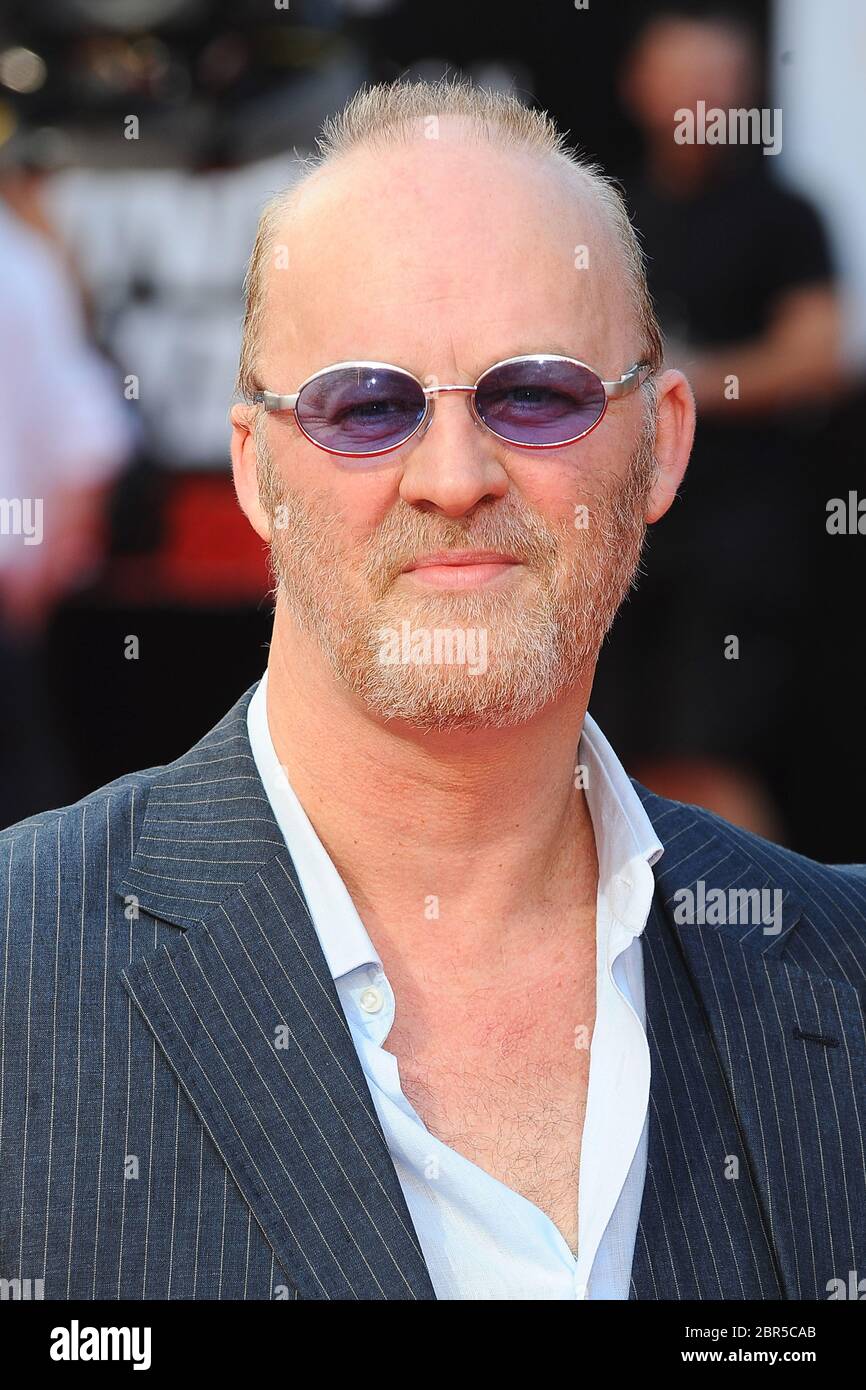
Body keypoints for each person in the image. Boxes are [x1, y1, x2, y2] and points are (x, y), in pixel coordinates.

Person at [1, 77, 863, 1302]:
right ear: (255, 467)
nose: (451, 476)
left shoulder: (842, 974)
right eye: (365, 406)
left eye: (535, 394)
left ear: (661, 441)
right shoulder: (19, 972)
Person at [591, 8, 843, 838]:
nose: (700, 98)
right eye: (683, 76)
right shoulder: (607, 214)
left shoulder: (785, 216)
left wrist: (693, 382)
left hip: (737, 542)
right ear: (639, 85)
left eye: (718, 78)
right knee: (602, 757)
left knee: (712, 759)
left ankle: (748, 958)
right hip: (620, 536)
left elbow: (817, 357)